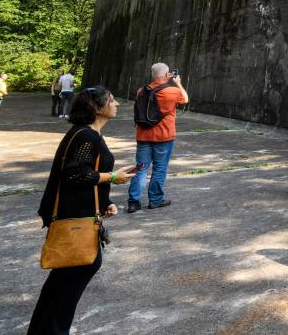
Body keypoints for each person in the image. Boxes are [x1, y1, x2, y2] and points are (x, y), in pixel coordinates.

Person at [29, 86, 137, 334]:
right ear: (96, 107)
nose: (117, 103)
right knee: (75, 276)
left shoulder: (83, 134)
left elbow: (85, 174)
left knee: (60, 284)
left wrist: (104, 200)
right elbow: (75, 176)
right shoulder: (87, 137)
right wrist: (112, 176)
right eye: (111, 100)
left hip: (79, 214)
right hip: (75, 220)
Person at [126, 63, 188, 212]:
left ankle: (133, 202)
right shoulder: (172, 91)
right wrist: (178, 83)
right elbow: (185, 99)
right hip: (163, 137)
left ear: (153, 74)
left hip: (143, 136)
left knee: (140, 168)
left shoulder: (141, 91)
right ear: (167, 75)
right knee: (159, 168)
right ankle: (155, 200)